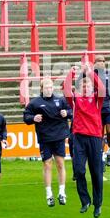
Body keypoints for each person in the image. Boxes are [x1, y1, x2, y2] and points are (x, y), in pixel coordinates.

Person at [64, 64, 105, 218]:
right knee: (79, 170)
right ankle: (85, 201)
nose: (85, 86)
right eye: (82, 84)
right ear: (79, 88)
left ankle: (97, 204)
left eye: (87, 84)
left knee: (96, 173)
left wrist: (90, 73)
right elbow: (66, 89)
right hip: (79, 138)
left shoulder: (96, 99)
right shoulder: (75, 100)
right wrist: (71, 73)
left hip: (94, 138)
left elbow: (101, 89)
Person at [23, 78, 72, 207]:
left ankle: (62, 192)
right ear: (41, 88)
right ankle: (49, 194)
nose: (49, 89)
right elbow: (26, 117)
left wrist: (66, 113)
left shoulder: (60, 100)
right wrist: (33, 118)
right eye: (46, 87)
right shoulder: (35, 103)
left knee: (60, 163)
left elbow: (72, 112)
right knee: (47, 164)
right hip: (45, 138)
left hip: (59, 136)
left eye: (51, 87)